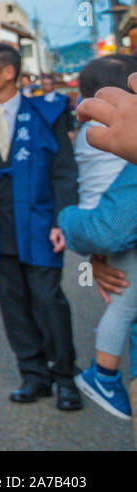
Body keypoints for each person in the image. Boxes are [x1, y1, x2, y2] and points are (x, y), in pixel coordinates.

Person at [0, 42, 80, 410]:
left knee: (48, 298)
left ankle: (65, 376)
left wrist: (61, 219)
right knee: (13, 303)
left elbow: (64, 171)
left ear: (9, 72)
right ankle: (33, 374)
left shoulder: (46, 114)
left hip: (39, 221)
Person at [57, 55, 137, 421]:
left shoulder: (98, 139)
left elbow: (110, 229)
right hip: (110, 234)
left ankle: (103, 375)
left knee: (124, 304)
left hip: (101, 227)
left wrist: (69, 221)